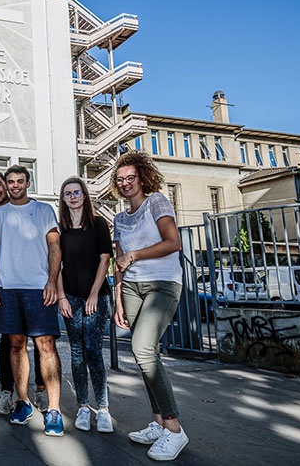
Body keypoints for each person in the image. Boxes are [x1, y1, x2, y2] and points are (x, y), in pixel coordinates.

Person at [111, 151, 188, 461]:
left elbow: (173, 242)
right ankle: (158, 422)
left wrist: (135, 255)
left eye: (131, 178)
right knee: (145, 355)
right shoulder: (118, 217)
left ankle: (173, 428)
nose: (126, 183)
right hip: (130, 288)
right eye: (120, 180)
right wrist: (117, 299)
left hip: (163, 283)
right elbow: (118, 261)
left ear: (141, 178)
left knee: (143, 349)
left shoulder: (156, 201)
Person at [0, 165, 64, 435]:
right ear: (6, 184)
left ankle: (53, 409)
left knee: (46, 345)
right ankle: (23, 401)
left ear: (28, 182)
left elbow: (55, 246)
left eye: (19, 180)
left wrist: (52, 281)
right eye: (10, 181)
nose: (15, 185)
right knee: (16, 345)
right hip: (8, 288)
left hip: (39, 288)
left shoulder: (44, 211)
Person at [0, 171, 45, 415]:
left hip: (34, 285)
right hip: (5, 286)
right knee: (9, 341)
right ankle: (9, 392)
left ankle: (39, 388)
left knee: (41, 341)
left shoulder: (34, 211)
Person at [56, 177, 114, 433]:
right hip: (71, 298)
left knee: (93, 351)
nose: (73, 197)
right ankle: (82, 406)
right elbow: (55, 265)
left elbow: (105, 259)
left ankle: (103, 409)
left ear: (84, 195)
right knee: (77, 353)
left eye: (77, 192)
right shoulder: (61, 229)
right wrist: (61, 297)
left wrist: (93, 295)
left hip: (95, 298)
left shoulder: (98, 223)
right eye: (68, 193)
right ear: (63, 198)